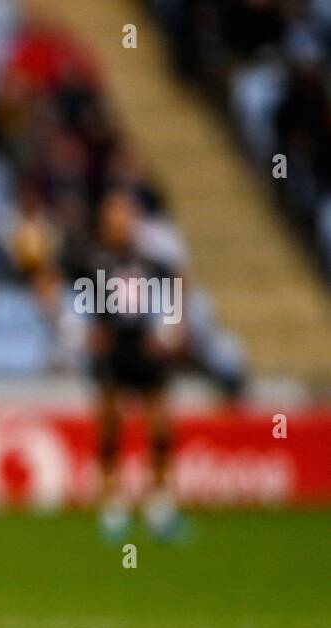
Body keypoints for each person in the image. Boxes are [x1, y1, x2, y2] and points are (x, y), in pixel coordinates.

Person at [82, 190, 185, 541]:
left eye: (126, 217)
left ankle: (159, 505)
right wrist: (82, 331)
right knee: (109, 423)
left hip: (143, 346)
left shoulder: (148, 260)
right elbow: (68, 293)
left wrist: (170, 331)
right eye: (115, 218)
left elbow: (178, 282)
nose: (121, 225)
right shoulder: (92, 260)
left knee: (159, 423)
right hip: (111, 349)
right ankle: (112, 505)